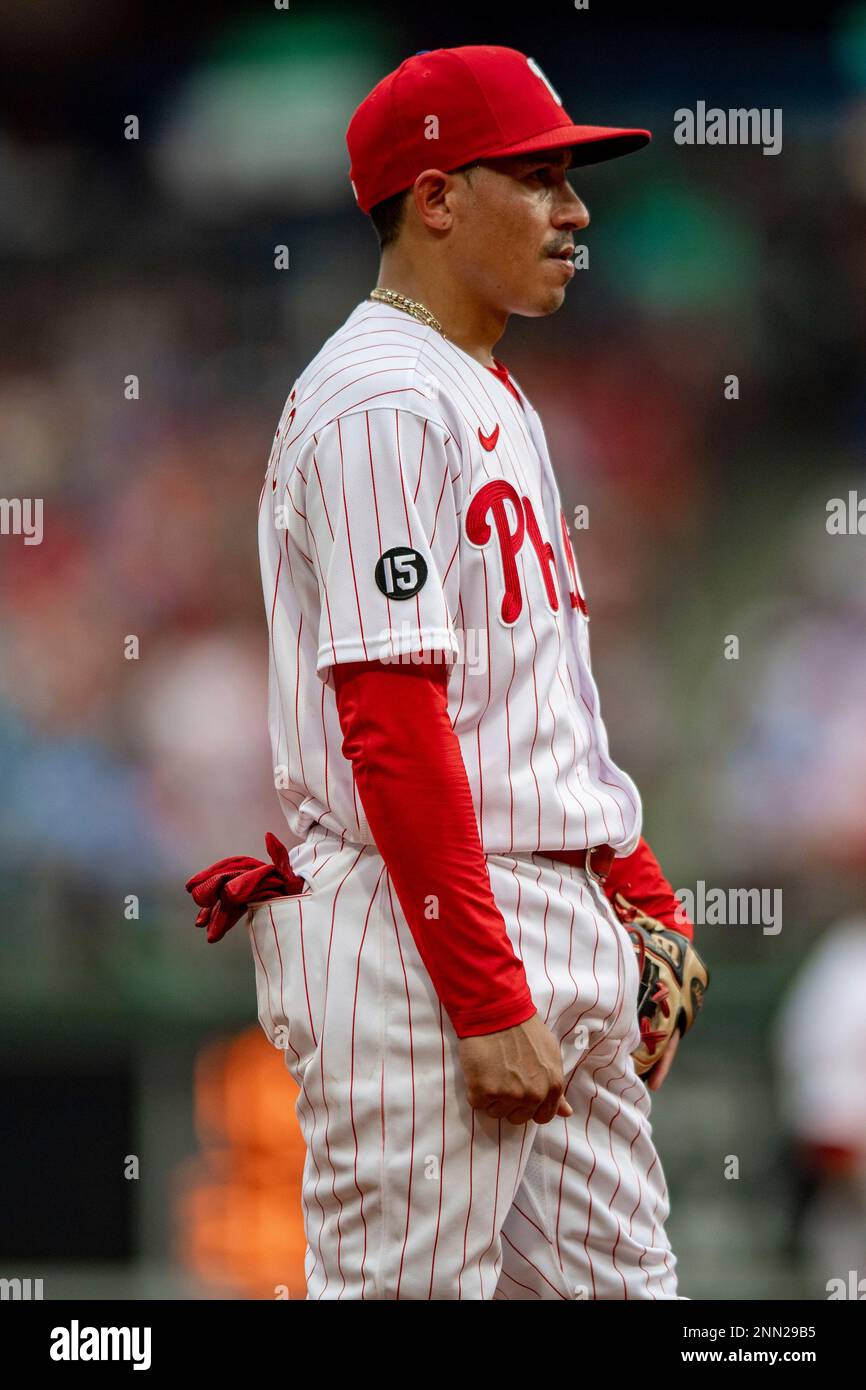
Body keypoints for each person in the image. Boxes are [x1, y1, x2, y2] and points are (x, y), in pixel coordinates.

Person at [195, 45, 696, 1300]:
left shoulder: (480, 388)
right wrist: (482, 995)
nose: (575, 212)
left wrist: (643, 896)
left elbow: (531, 708)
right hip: (414, 937)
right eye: (537, 177)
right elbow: (392, 720)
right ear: (434, 198)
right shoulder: (376, 397)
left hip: (530, 901)